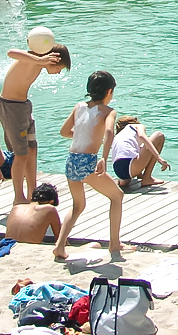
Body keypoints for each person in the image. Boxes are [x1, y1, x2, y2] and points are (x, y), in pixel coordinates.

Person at [52, 70, 133, 261]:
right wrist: (104, 157)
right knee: (117, 196)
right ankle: (114, 243)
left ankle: (59, 246)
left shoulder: (79, 107)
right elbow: (109, 132)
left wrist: (83, 134)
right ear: (109, 91)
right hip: (88, 162)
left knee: (78, 205)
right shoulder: (108, 111)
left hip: (71, 160)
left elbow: (64, 131)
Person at [0, 42, 71, 205]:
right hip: (10, 106)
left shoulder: (38, 63)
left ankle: (32, 192)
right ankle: (18, 196)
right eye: (60, 68)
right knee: (21, 153)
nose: (58, 72)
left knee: (32, 149)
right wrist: (40, 60)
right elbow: (11, 52)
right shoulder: (33, 59)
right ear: (54, 60)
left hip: (23, 107)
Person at [109, 116, 169, 191]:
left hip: (118, 170)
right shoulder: (136, 126)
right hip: (130, 164)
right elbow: (142, 136)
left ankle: (126, 179)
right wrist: (158, 157)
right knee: (159, 135)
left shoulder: (119, 135)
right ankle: (147, 178)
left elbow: (130, 153)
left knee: (138, 149)